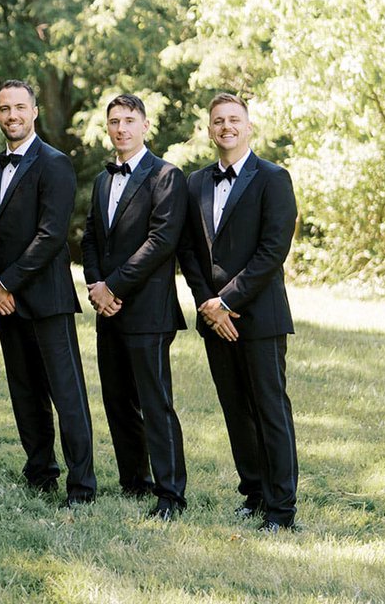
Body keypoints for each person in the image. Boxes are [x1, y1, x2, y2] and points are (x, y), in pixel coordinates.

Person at [177, 93, 299, 533]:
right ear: (209, 129)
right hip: (214, 318)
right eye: (218, 121)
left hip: (259, 316)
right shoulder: (195, 182)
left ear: (248, 127)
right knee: (235, 410)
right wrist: (208, 305)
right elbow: (188, 250)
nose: (226, 126)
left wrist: (227, 301)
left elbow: (272, 250)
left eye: (233, 119)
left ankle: (281, 509)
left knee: (269, 410)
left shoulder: (273, 178)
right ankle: (254, 494)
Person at [0, 80, 96, 507]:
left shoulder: (55, 163)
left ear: (34, 112)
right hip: (5, 304)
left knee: (66, 394)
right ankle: (40, 473)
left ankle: (82, 485)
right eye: (5, 108)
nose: (12, 115)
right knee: (24, 393)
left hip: (47, 299)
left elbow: (50, 236)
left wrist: (6, 282)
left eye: (20, 108)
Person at [81, 93, 188, 520]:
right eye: (114, 121)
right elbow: (91, 236)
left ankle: (171, 493)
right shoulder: (102, 180)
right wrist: (95, 285)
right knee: (117, 398)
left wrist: (113, 286)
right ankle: (134, 481)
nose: (121, 128)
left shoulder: (166, 176)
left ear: (145, 126)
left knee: (155, 402)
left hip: (148, 310)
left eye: (129, 120)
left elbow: (161, 242)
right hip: (107, 309)